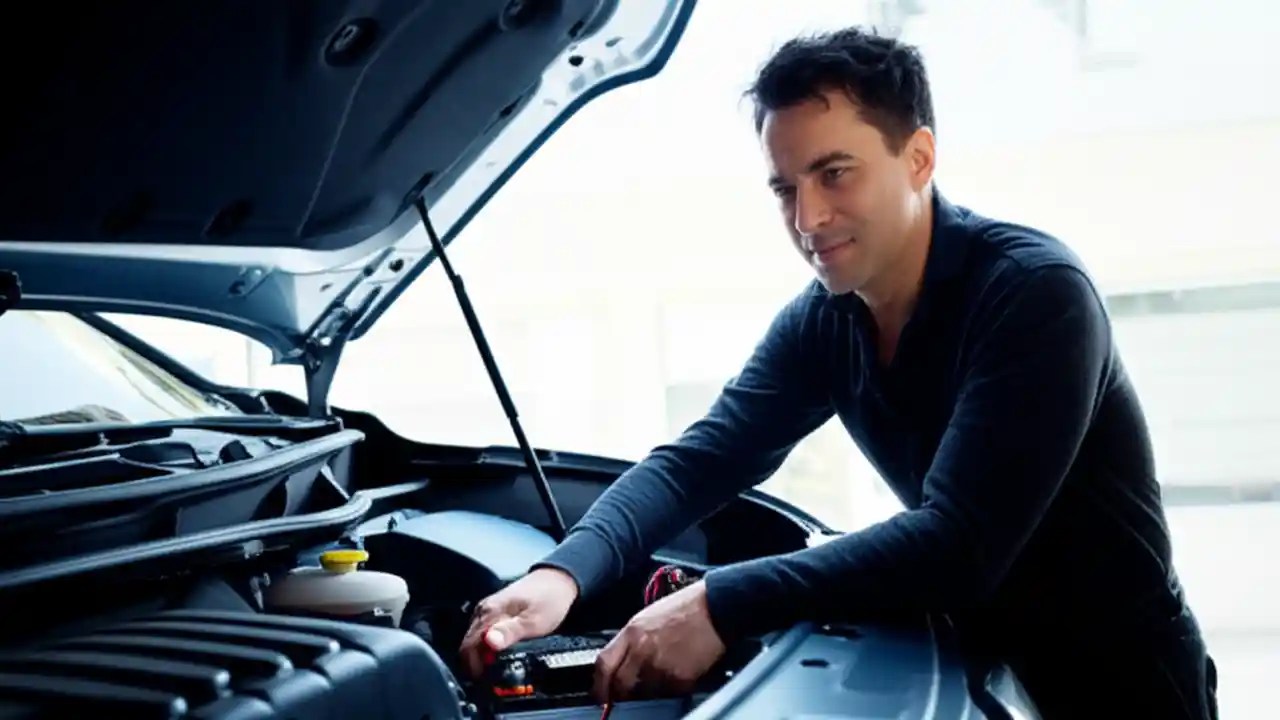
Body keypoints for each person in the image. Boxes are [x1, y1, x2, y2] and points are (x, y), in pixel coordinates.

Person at [460, 27, 1218, 719]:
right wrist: (561, 575)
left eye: (835, 174)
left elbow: (958, 546)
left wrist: (720, 602)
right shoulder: (828, 319)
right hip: (982, 668)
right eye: (785, 188)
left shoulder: (1035, 294)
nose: (808, 218)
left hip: (1127, 682)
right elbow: (701, 460)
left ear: (918, 158)